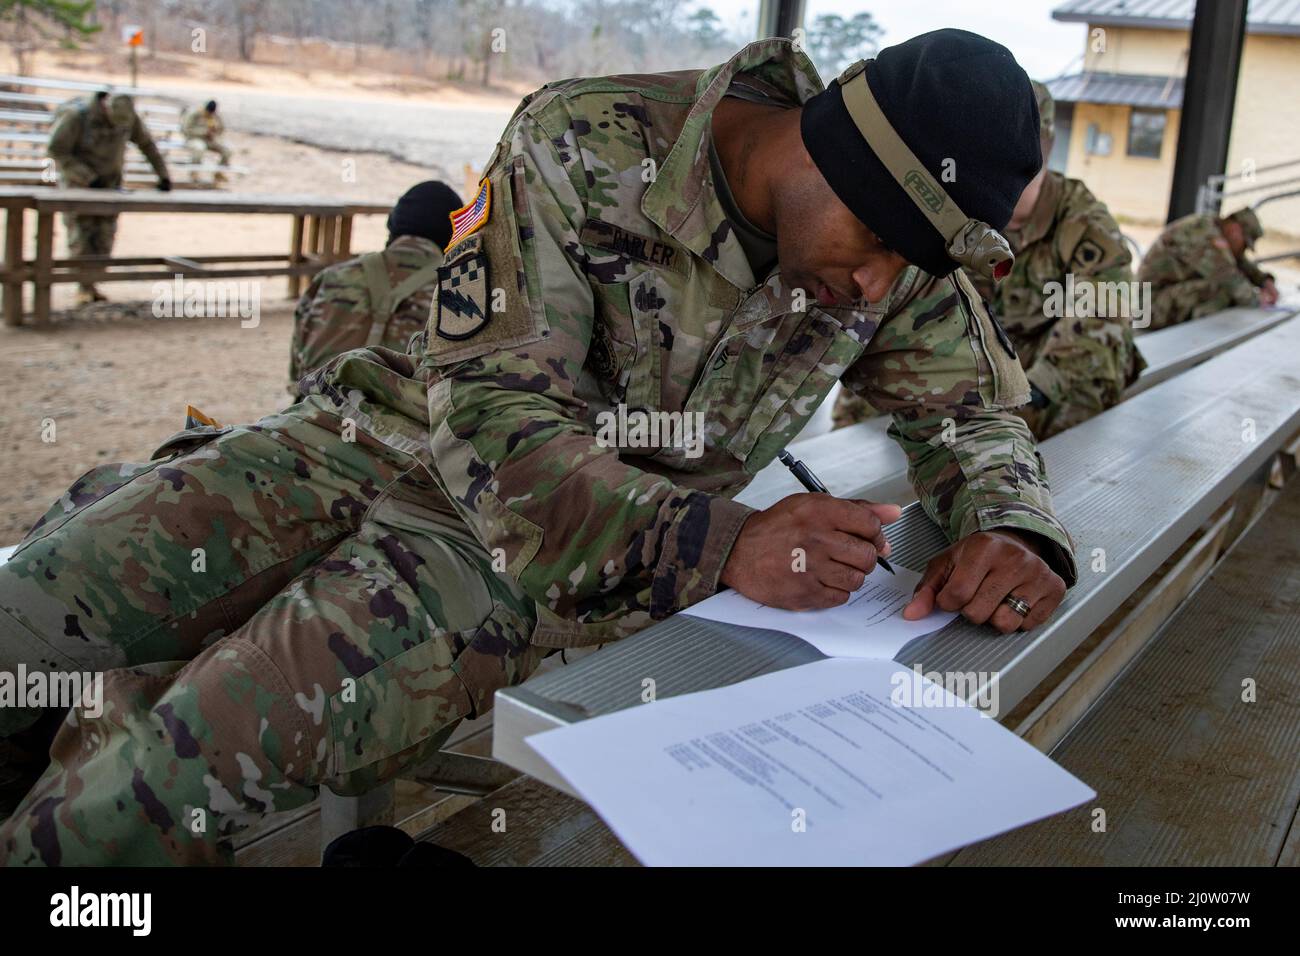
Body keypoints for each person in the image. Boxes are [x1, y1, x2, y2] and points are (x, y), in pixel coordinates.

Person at [0, 30, 1076, 865]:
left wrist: (1012, 524)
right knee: (32, 604)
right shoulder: (590, 137)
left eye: (908, 264)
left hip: (525, 563)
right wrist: (726, 541)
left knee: (159, 774)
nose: (877, 285)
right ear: (820, 148)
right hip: (366, 438)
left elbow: (965, 412)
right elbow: (497, 418)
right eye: (876, 242)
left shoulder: (895, 257)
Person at [833, 81, 1145, 439]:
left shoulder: (1084, 223)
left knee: (1090, 372)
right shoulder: (957, 208)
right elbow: (906, 303)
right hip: (977, 360)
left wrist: (1032, 394)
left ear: (1040, 156)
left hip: (1047, 372)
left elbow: (1104, 313)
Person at [288, 181, 463, 396]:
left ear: (393, 226)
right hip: (398, 426)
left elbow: (297, 372)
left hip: (312, 416)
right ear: (455, 235)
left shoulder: (332, 278)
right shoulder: (456, 290)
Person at [47, 91, 172, 304]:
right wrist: (85, 176)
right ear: (106, 107)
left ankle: (93, 282)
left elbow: (147, 144)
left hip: (110, 186)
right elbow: (56, 150)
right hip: (79, 187)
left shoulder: (127, 117)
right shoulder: (77, 116)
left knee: (105, 235)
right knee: (82, 234)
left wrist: (163, 175)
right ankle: (83, 287)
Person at [1138, 206, 1279, 329]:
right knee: (1221, 290)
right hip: (1148, 306)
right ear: (1234, 230)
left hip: (1160, 297)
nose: (1243, 250)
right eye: (1244, 244)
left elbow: (1239, 262)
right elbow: (1228, 278)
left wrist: (1264, 281)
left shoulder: (1214, 228)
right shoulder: (1201, 232)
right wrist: (1258, 298)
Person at [181, 99, 232, 180]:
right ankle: (194, 172)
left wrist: (215, 130)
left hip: (210, 140)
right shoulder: (194, 114)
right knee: (199, 148)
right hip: (194, 138)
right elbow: (186, 130)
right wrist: (203, 132)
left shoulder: (214, 116)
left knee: (227, 150)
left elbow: (221, 129)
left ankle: (219, 172)